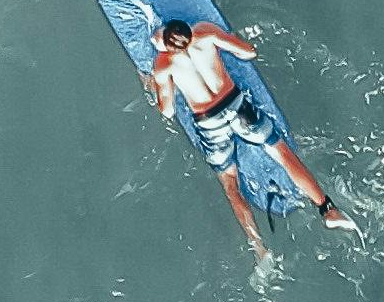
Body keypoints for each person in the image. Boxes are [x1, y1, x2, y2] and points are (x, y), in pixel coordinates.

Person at [142, 15, 352, 255]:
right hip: (238, 107)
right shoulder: (204, 32)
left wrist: (153, 83)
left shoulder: (164, 63)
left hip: (209, 122)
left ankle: (260, 249)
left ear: (167, 45)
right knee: (283, 154)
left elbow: (167, 111)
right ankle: (328, 210)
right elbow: (248, 52)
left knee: (230, 184)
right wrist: (230, 44)